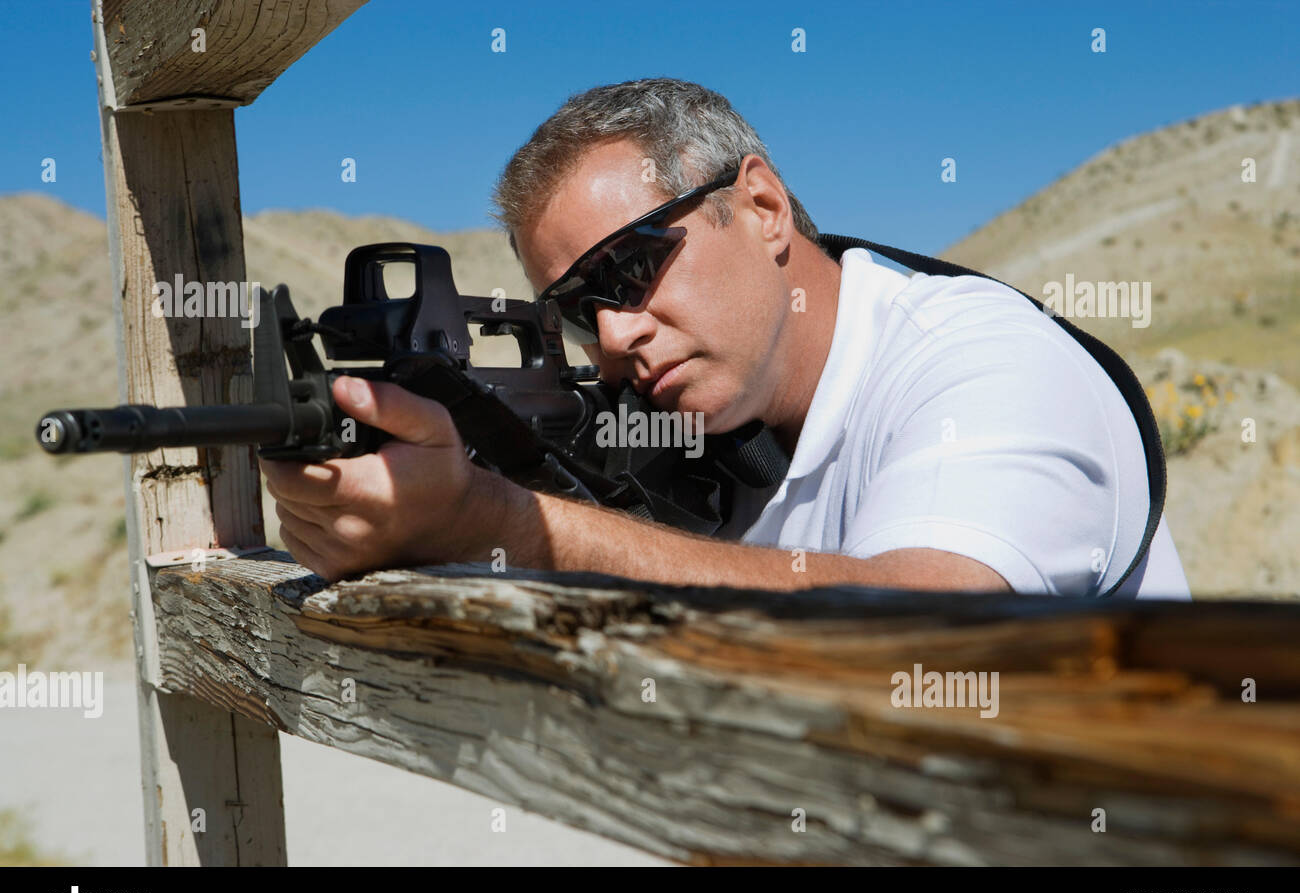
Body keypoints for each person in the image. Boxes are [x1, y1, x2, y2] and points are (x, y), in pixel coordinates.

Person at [261, 77, 1190, 598]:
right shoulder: (688, 435)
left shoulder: (987, 364)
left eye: (630, 269)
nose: (616, 334)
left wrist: (506, 525)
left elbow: (923, 634)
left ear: (761, 204)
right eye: (578, 312)